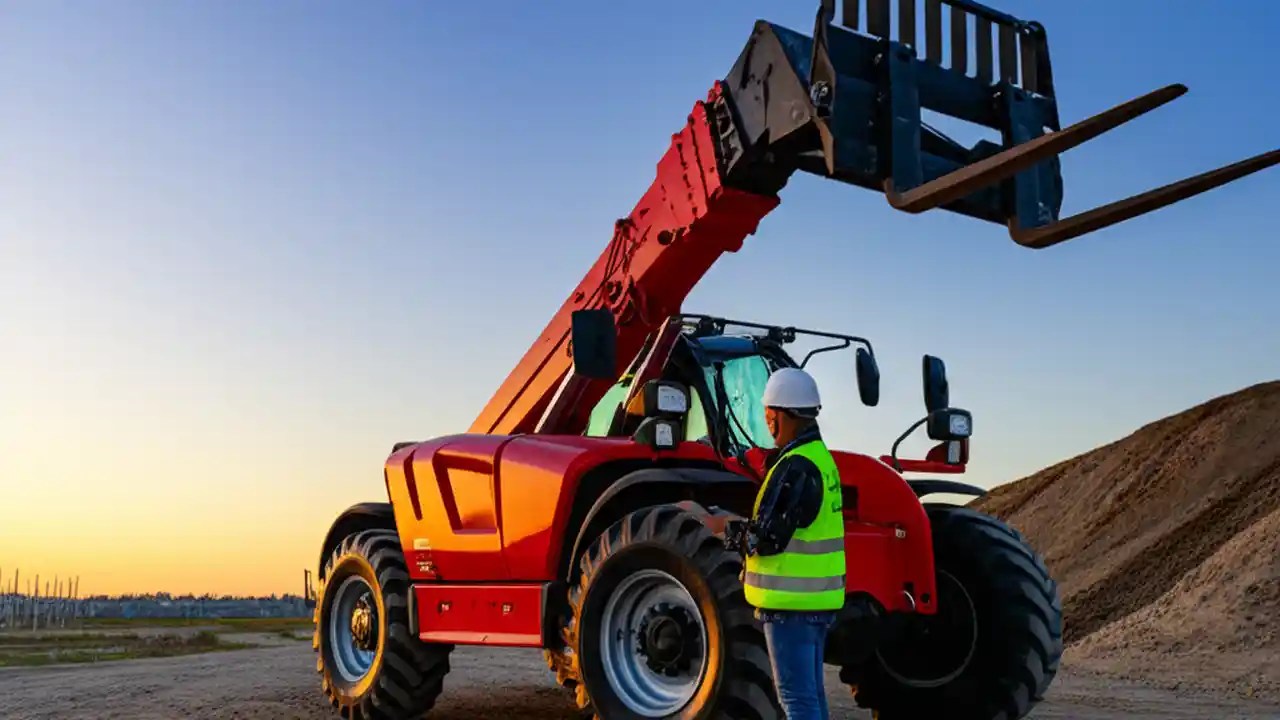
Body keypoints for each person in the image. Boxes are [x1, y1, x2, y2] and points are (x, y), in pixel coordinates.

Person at [725, 367, 845, 720]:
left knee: (796, 700)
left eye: (768, 415)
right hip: (815, 602)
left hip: (790, 606)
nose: (767, 424)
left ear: (779, 415)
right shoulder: (820, 460)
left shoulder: (796, 467)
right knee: (811, 697)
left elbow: (768, 539)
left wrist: (720, 527)